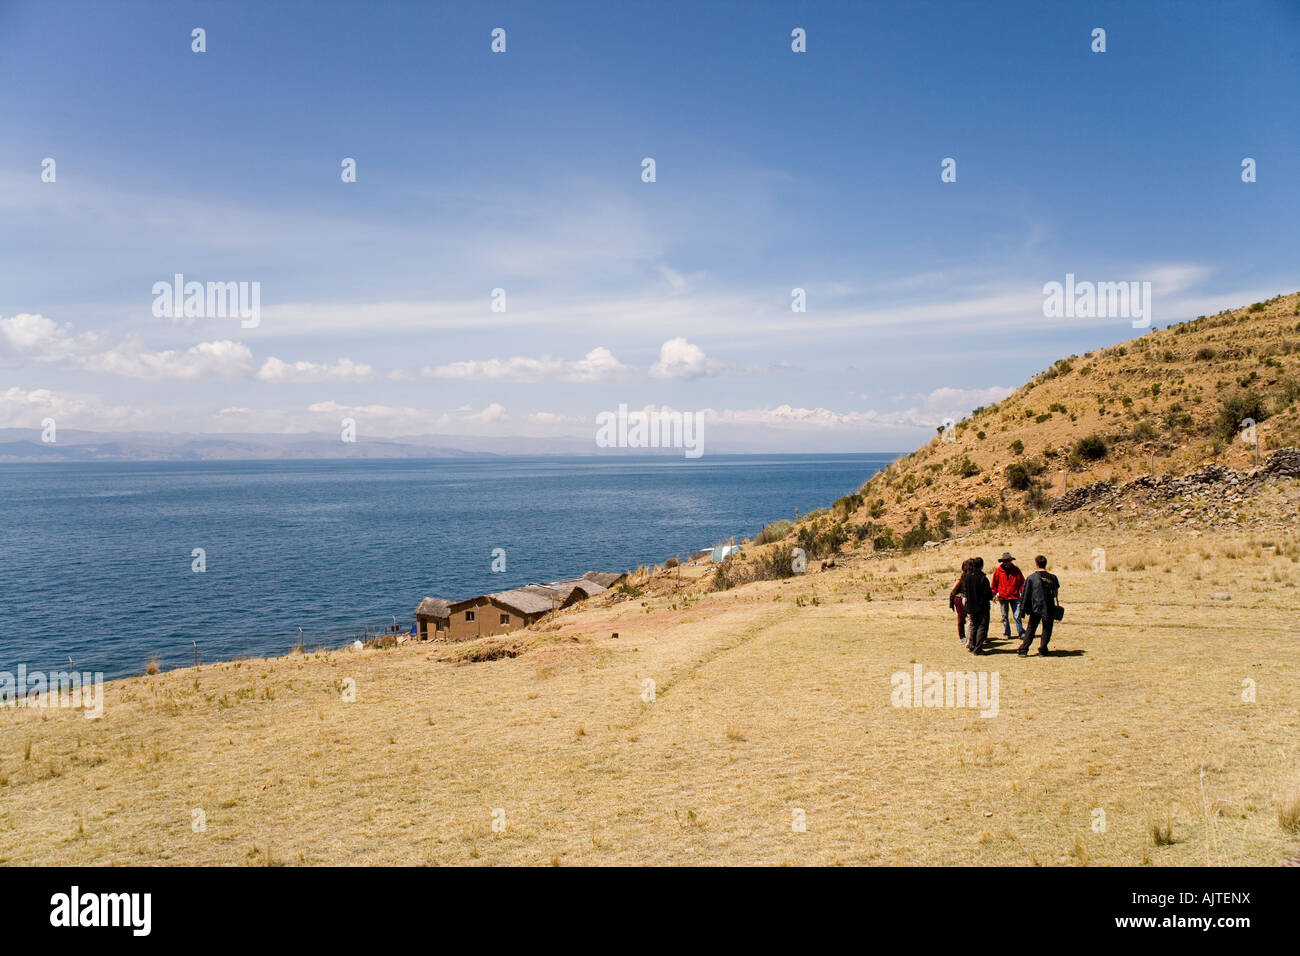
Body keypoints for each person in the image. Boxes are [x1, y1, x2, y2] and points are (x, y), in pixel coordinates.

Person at [1017, 554, 1060, 656]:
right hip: (1049, 607)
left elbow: (1025, 593)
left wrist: (1023, 609)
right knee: (1047, 629)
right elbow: (1055, 593)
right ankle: (1043, 649)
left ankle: (1023, 650)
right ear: (1046, 564)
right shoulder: (1053, 577)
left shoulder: (1031, 578)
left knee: (1031, 629)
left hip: (1035, 607)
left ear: (1036, 564)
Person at [951, 556, 993, 654]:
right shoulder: (983, 578)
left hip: (970, 606)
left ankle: (972, 645)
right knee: (982, 626)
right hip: (982, 606)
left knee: (973, 626)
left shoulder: (967, 577)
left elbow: (965, 591)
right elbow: (988, 594)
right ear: (981, 566)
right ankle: (978, 648)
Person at [990, 552, 1026, 641]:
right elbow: (994, 584)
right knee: (1004, 616)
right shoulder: (998, 571)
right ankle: (1007, 633)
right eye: (1005, 561)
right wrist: (993, 594)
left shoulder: (1016, 570)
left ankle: (1021, 632)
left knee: (1017, 615)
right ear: (1002, 561)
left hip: (1014, 596)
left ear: (1010, 561)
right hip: (1003, 597)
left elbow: (1022, 583)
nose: (1006, 563)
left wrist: (1023, 593)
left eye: (1008, 561)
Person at [948, 559, 972, 643]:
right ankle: (962, 636)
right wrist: (958, 597)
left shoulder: (969, 576)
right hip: (959, 599)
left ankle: (968, 635)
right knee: (961, 618)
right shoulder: (961, 577)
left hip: (965, 599)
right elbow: (953, 589)